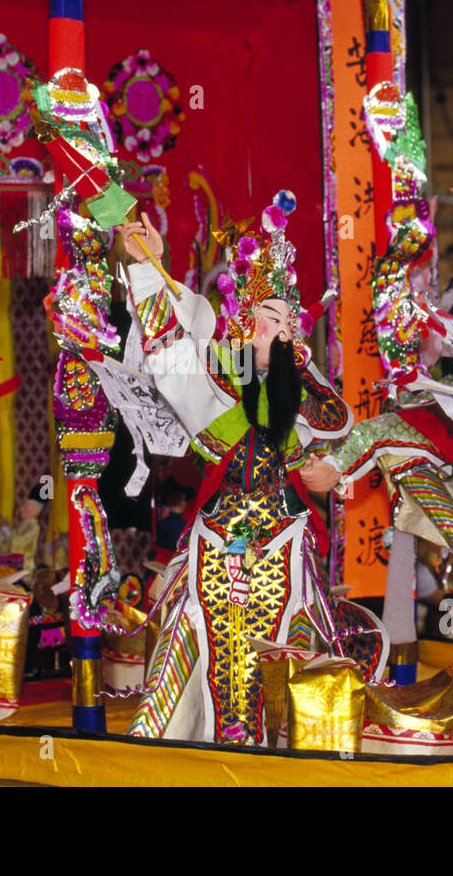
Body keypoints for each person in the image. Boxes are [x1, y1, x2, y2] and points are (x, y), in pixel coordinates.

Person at [118, 194, 387, 746]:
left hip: (285, 537)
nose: (278, 328)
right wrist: (147, 270)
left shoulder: (307, 392)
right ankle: (212, 743)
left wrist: (336, 471)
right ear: (244, 320)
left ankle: (284, 745)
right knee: (211, 638)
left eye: (288, 319)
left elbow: (349, 434)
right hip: (215, 538)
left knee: (287, 641)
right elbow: (167, 352)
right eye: (267, 315)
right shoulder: (212, 378)